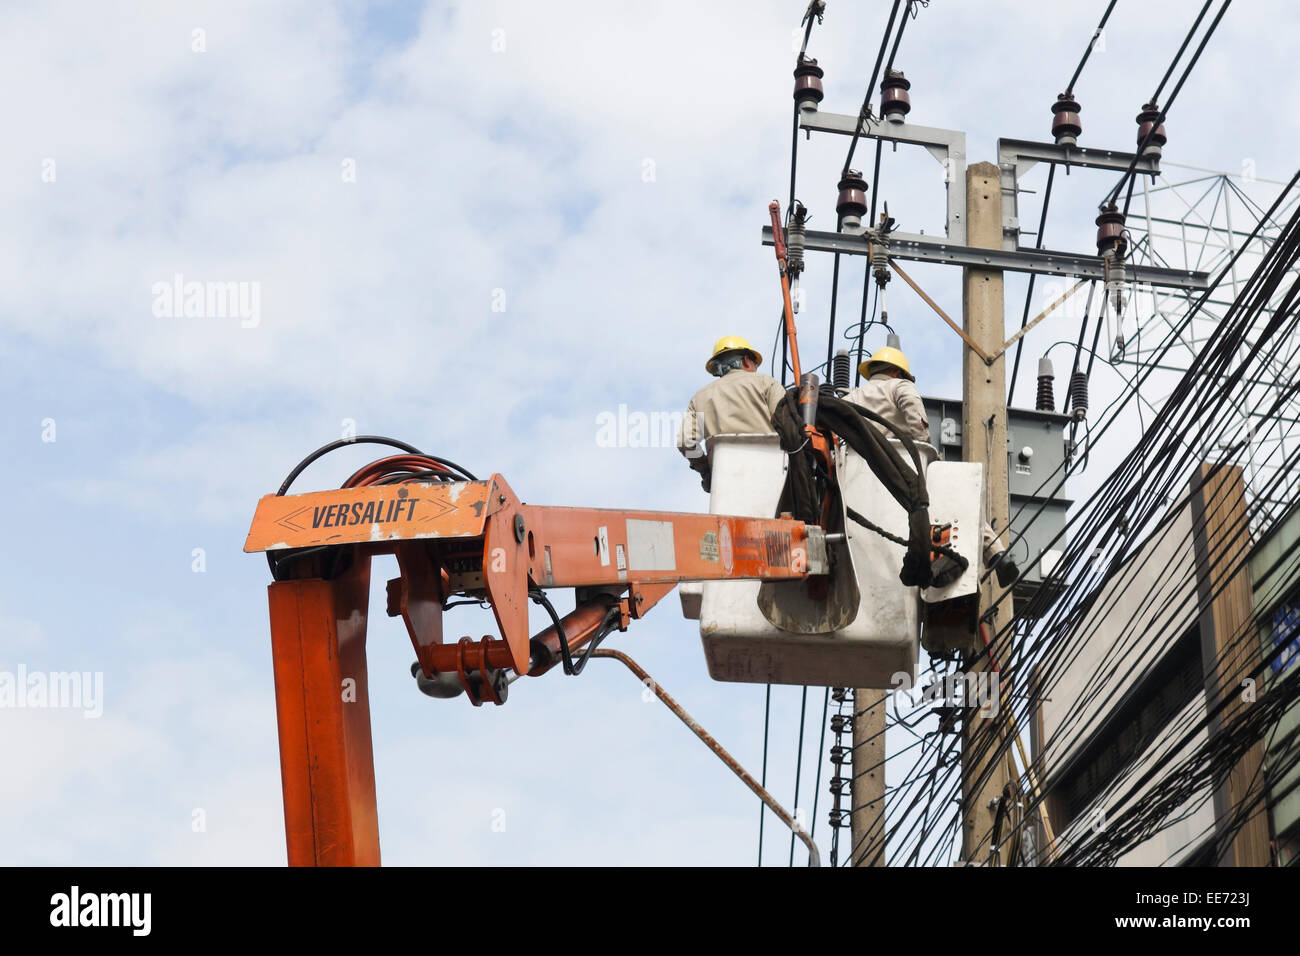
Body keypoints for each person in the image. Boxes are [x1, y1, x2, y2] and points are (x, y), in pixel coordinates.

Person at [843, 346, 1019, 588]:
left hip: (855, 477)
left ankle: (996, 555)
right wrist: (926, 454)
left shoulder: (849, 399)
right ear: (896, 371)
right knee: (962, 501)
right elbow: (918, 425)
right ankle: (997, 555)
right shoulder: (900, 386)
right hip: (903, 469)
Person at [676, 335, 787, 491]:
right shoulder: (766, 383)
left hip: (725, 486)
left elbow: (685, 442)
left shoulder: (699, 398)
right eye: (755, 363)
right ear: (747, 361)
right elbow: (787, 425)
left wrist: (706, 469)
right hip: (773, 478)